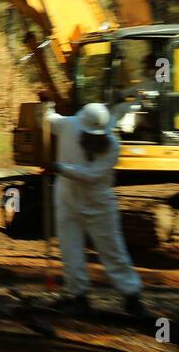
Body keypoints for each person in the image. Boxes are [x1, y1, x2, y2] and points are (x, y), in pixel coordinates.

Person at [44, 101, 145, 315]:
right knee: (70, 250)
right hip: (67, 200)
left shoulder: (113, 146)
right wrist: (45, 106)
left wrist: (59, 167)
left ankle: (132, 296)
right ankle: (78, 296)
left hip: (99, 205)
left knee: (112, 250)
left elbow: (90, 175)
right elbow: (46, 120)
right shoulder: (68, 124)